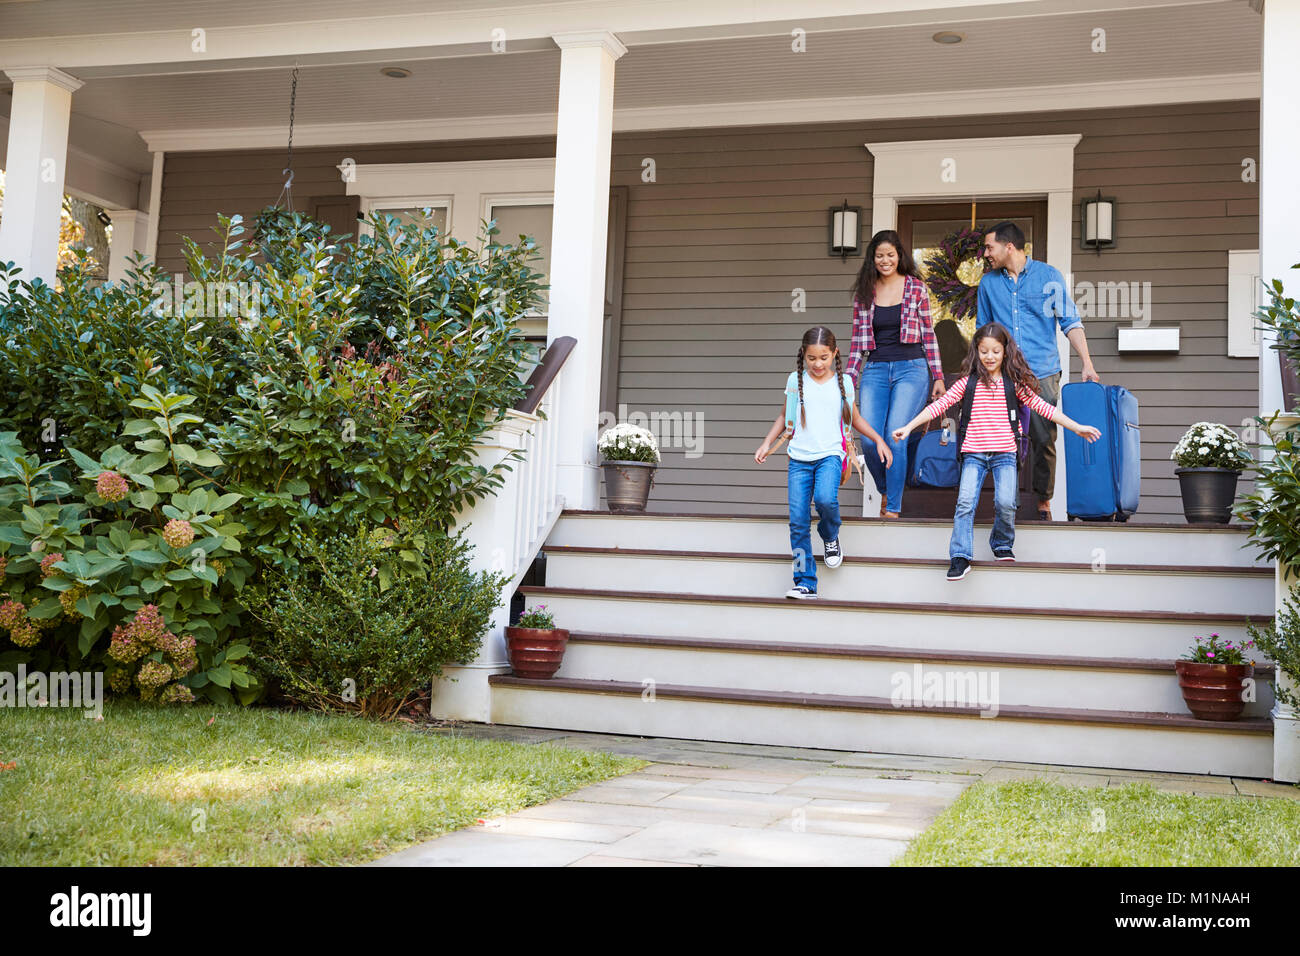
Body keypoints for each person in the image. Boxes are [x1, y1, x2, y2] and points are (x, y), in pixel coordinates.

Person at [892, 323, 1100, 581]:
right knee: (965, 503)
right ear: (976, 352)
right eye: (983, 351)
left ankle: (1002, 544)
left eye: (995, 352)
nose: (989, 357)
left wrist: (1076, 427)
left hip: (1005, 455)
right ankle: (960, 556)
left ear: (1005, 352)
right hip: (973, 454)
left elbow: (1044, 408)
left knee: (1005, 502)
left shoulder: (1015, 384)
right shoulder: (967, 384)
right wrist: (908, 426)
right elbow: (940, 405)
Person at [755, 326, 892, 599]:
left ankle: (829, 535)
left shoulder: (844, 383)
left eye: (824, 358)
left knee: (826, 500)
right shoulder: (796, 381)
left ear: (834, 354)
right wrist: (766, 442)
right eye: (811, 358)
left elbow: (855, 418)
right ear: (803, 356)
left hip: (830, 455)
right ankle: (805, 581)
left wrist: (879, 439)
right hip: (799, 459)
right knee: (797, 520)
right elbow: (784, 416)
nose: (818, 364)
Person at [976, 221, 1100, 520]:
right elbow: (983, 332)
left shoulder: (1048, 277)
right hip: (1003, 373)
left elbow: (1070, 321)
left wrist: (1087, 362)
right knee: (1004, 438)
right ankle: (1008, 502)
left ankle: (1043, 502)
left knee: (1043, 438)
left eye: (989, 247)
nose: (986, 253)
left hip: (1043, 371)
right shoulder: (988, 284)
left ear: (1009, 247)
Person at [845, 230, 946, 518]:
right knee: (868, 438)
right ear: (872, 259)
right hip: (875, 369)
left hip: (911, 369)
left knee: (895, 435)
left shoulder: (915, 288)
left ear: (899, 256)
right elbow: (856, 344)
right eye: (880, 256)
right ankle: (888, 489)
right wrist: (849, 381)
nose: (885, 260)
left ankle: (893, 509)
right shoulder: (865, 293)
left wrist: (937, 374)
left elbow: (928, 333)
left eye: (891, 254)